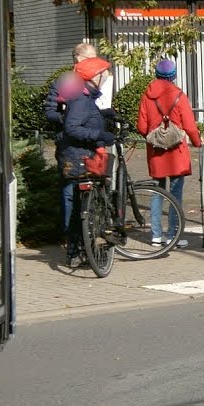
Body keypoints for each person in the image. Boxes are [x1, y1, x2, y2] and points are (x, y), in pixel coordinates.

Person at [137, 58, 202, 248]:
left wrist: (156, 136)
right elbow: (189, 125)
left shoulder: (147, 95)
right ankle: (174, 235)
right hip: (177, 154)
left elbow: (141, 126)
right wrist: (197, 141)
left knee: (157, 193)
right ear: (174, 75)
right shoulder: (179, 95)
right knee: (175, 195)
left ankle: (156, 236)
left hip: (156, 153)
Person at [58, 56, 116, 266]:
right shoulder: (81, 100)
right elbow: (72, 127)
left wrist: (103, 114)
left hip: (81, 155)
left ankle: (81, 251)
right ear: (95, 77)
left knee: (83, 208)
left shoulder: (85, 97)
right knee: (80, 209)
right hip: (78, 158)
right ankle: (76, 253)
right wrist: (99, 136)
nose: (106, 77)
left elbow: (84, 117)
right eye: (104, 74)